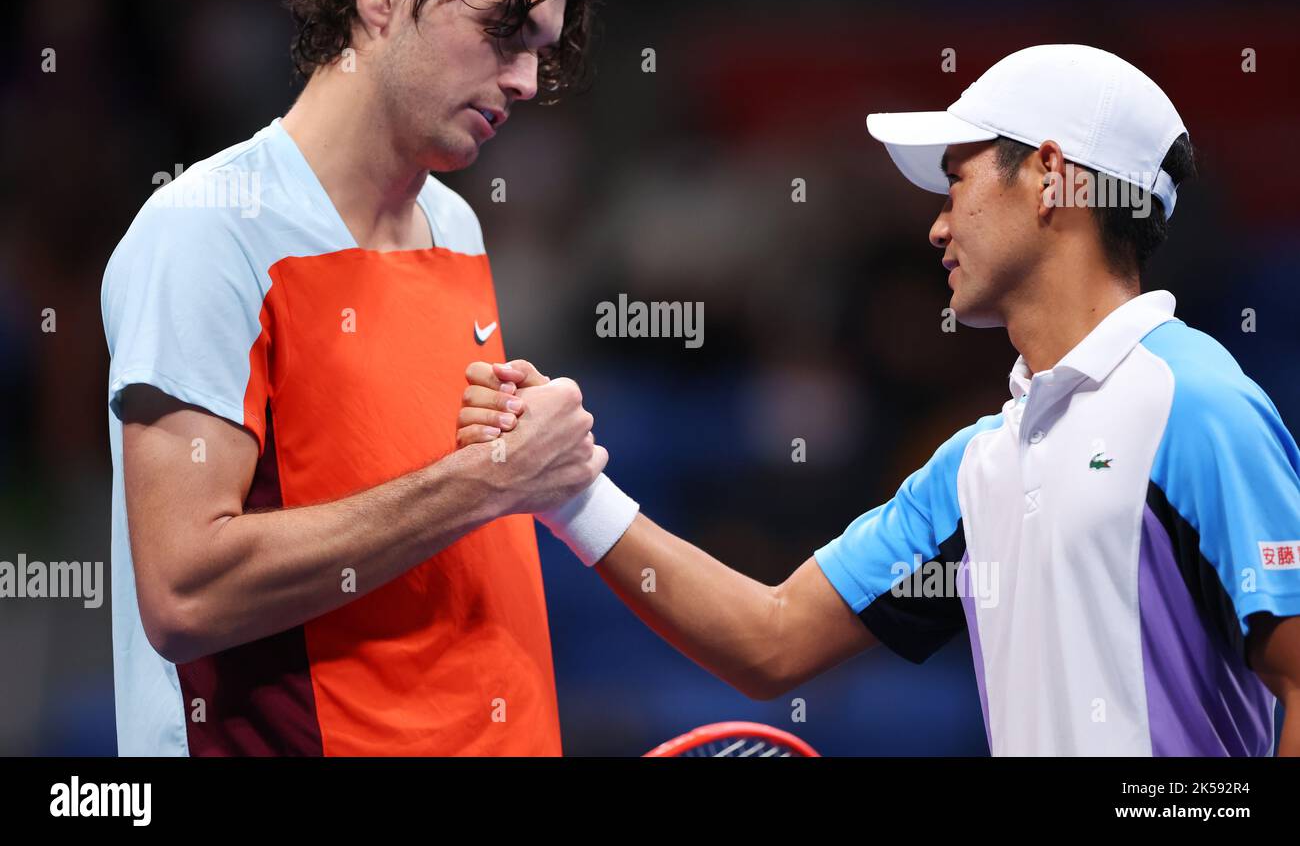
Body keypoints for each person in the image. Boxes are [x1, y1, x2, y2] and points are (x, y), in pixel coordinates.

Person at [460, 45, 1300, 756]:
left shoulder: (1198, 408)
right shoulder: (976, 466)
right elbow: (773, 636)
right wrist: (569, 488)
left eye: (955, 181)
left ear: (1049, 177)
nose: (937, 227)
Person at [101, 0, 602, 756]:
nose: (524, 81)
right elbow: (186, 593)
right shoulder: (208, 228)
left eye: (538, 54)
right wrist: (490, 478)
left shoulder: (455, 226)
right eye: (502, 31)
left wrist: (499, 456)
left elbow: (421, 505)